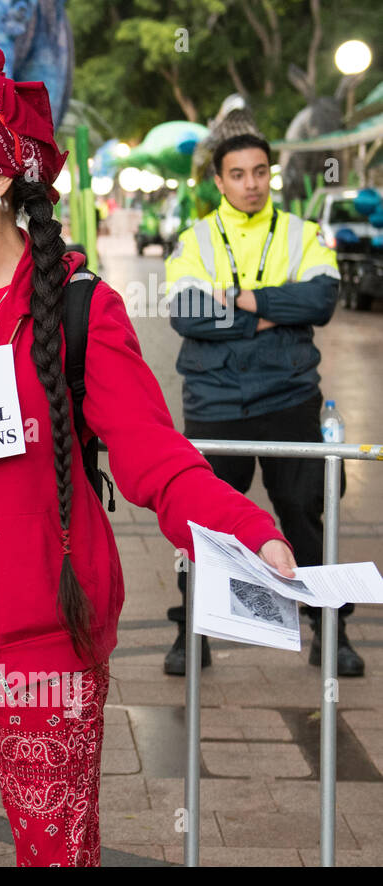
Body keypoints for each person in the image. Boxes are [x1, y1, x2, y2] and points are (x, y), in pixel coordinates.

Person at [0, 45, 295, 868]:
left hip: (42, 633)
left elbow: (153, 452)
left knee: (56, 847)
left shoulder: (82, 307)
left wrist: (245, 527)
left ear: (2, 177)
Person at [163, 133, 361, 677]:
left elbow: (321, 301)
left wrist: (240, 301)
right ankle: (191, 631)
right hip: (216, 402)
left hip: (291, 398)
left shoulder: (302, 233)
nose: (250, 184)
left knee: (304, 513)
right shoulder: (195, 239)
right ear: (219, 181)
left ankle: (332, 628)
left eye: (259, 172)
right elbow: (187, 315)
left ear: (269, 174)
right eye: (238, 174)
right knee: (203, 524)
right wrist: (277, 312)